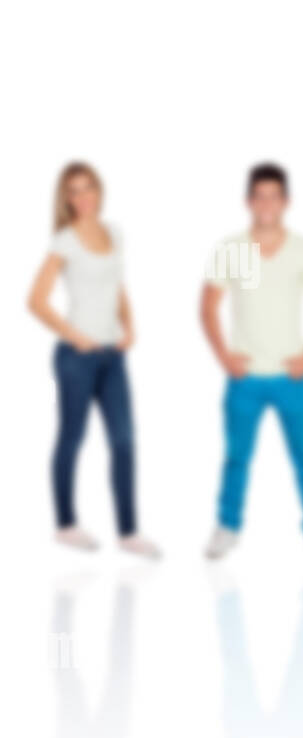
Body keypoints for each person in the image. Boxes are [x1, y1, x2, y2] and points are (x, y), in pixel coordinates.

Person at [201, 163, 303, 561]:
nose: (266, 203)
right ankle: (227, 526)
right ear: (249, 201)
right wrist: (226, 357)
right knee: (236, 457)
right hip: (244, 378)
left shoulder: (302, 252)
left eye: (273, 195)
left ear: (285, 201)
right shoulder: (235, 250)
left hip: (291, 377)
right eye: (259, 195)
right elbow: (209, 306)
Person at [27, 162, 160, 558]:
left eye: (88, 188)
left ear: (98, 192)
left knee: (123, 440)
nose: (83, 196)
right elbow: (37, 300)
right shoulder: (65, 241)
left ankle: (128, 531)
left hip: (112, 355)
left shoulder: (113, 233)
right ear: (66, 199)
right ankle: (66, 525)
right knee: (72, 437)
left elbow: (116, 285)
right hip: (77, 357)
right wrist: (75, 335)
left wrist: (130, 326)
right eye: (74, 191)